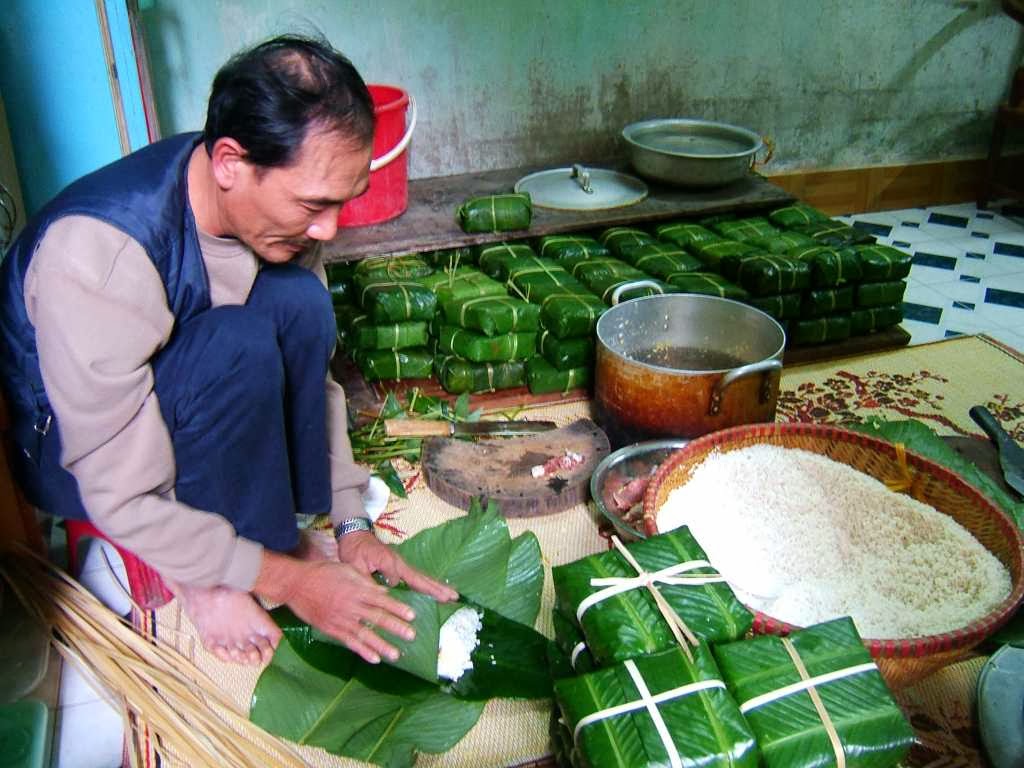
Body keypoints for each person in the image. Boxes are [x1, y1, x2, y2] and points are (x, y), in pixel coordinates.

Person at [0, 34, 456, 666]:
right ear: (229, 164)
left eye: (339, 203)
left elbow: (314, 376)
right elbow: (118, 490)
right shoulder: (98, 255)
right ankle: (205, 578)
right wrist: (286, 580)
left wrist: (352, 524)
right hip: (79, 456)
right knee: (235, 344)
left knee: (299, 303)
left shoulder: (279, 216)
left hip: (188, 385)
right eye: (314, 205)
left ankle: (261, 541)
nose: (328, 228)